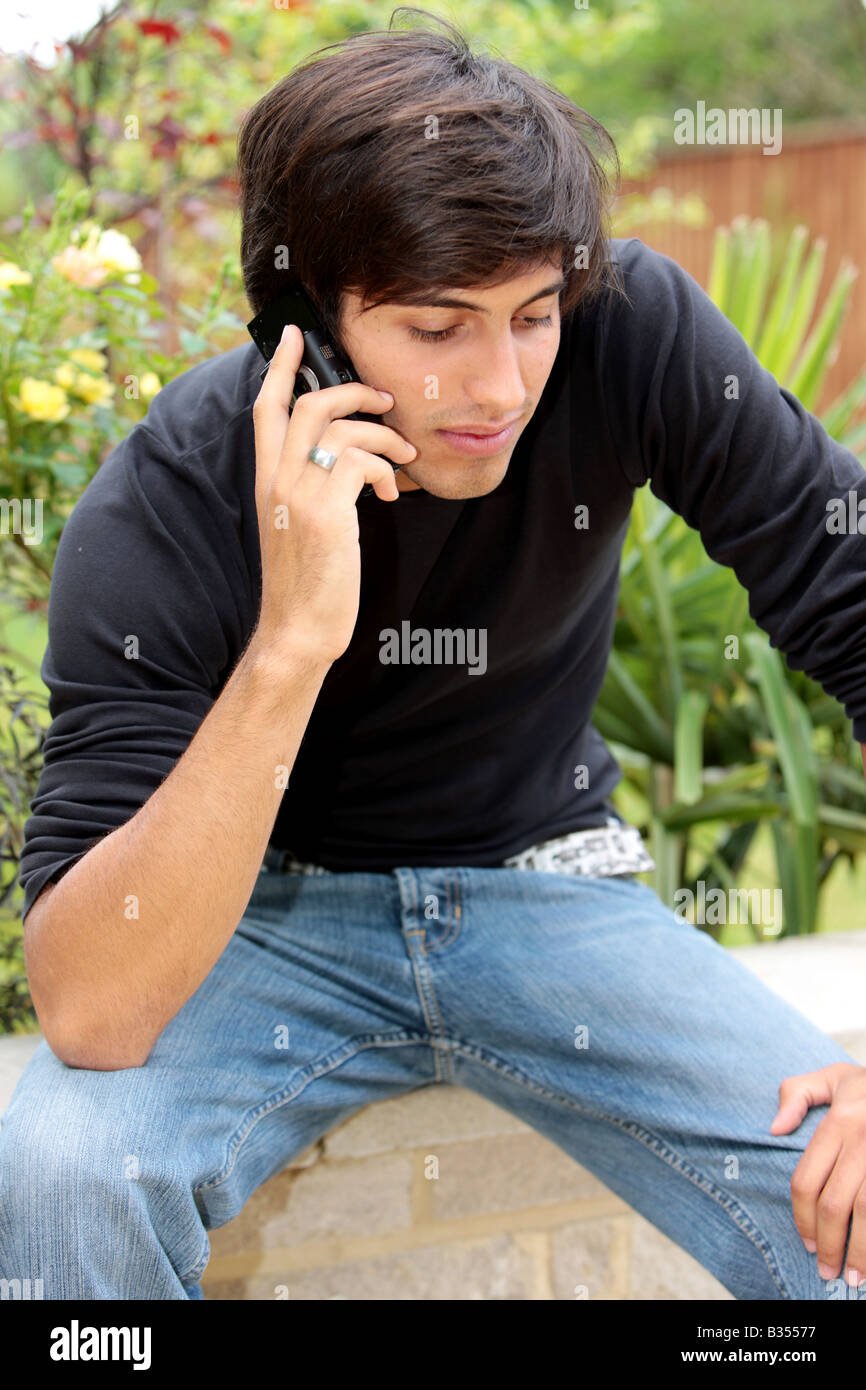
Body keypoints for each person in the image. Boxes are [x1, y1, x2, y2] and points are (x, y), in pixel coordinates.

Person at [2, 9, 866, 1302]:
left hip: (546, 885)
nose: (502, 383)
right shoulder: (171, 494)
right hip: (257, 923)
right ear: (312, 327)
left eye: (530, 315)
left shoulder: (629, 332)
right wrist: (293, 639)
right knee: (69, 1178)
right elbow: (92, 1006)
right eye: (435, 325)